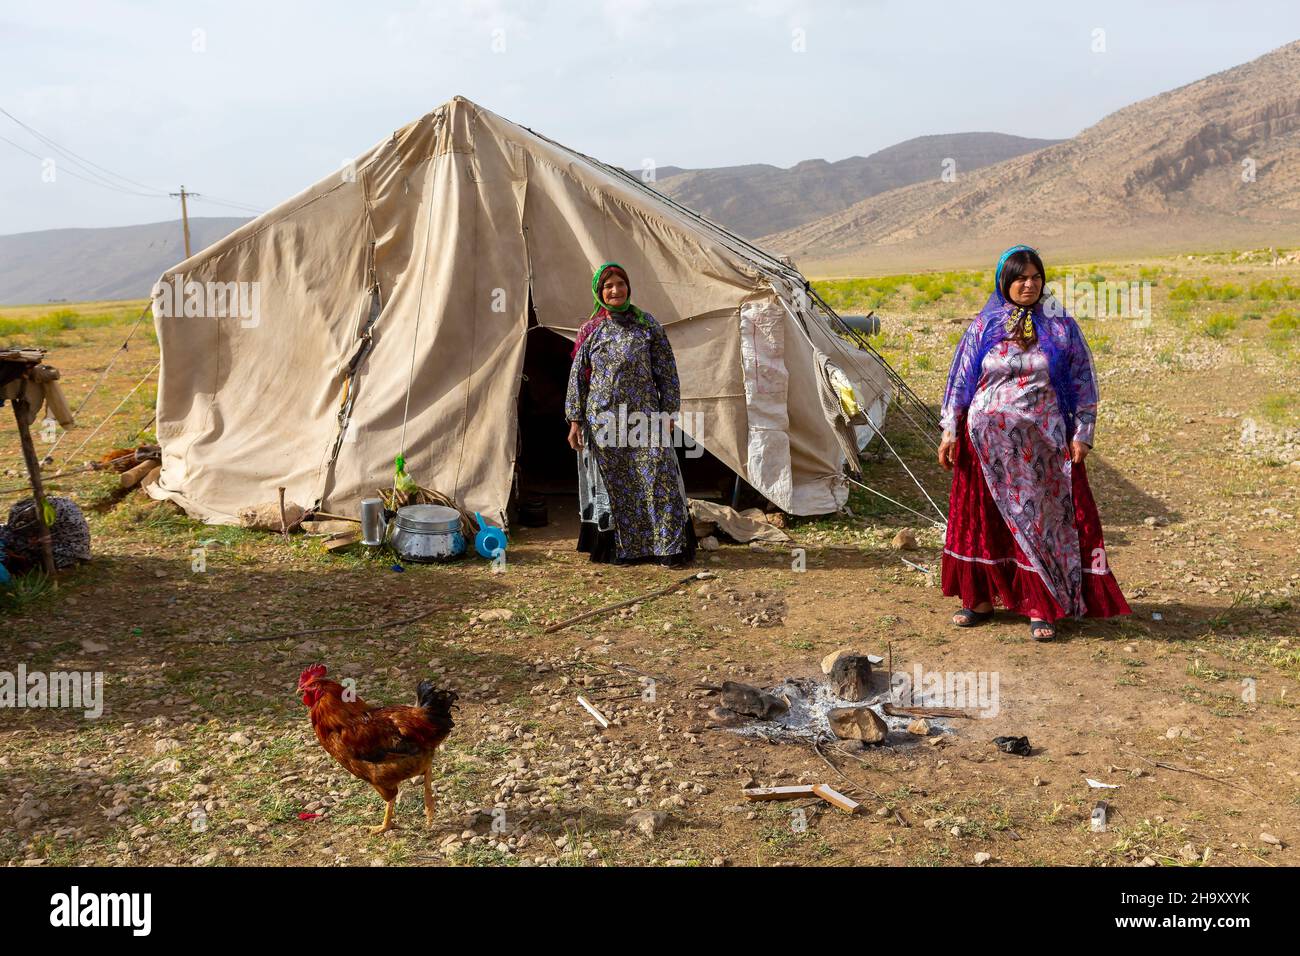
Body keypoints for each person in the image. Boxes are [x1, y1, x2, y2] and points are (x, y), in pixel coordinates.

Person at [938, 245, 1130, 640]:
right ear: (1004, 282)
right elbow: (960, 383)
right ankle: (980, 601)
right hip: (984, 446)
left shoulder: (1061, 327)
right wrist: (950, 430)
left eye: (1035, 277)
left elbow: (1082, 383)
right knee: (984, 521)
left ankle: (1040, 604)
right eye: (1020, 277)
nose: (1029, 284)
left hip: (1042, 447)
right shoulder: (984, 326)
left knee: (1041, 521)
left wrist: (1083, 434)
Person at [564, 262, 695, 566]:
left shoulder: (647, 324)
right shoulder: (591, 330)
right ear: (600, 292)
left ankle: (668, 549)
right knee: (618, 485)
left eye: (620, 283)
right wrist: (575, 420)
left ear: (628, 287)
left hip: (645, 420)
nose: (615, 290)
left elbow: (667, 372)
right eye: (608, 286)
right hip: (603, 420)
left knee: (658, 478)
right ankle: (623, 551)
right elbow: (578, 378)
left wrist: (669, 412)